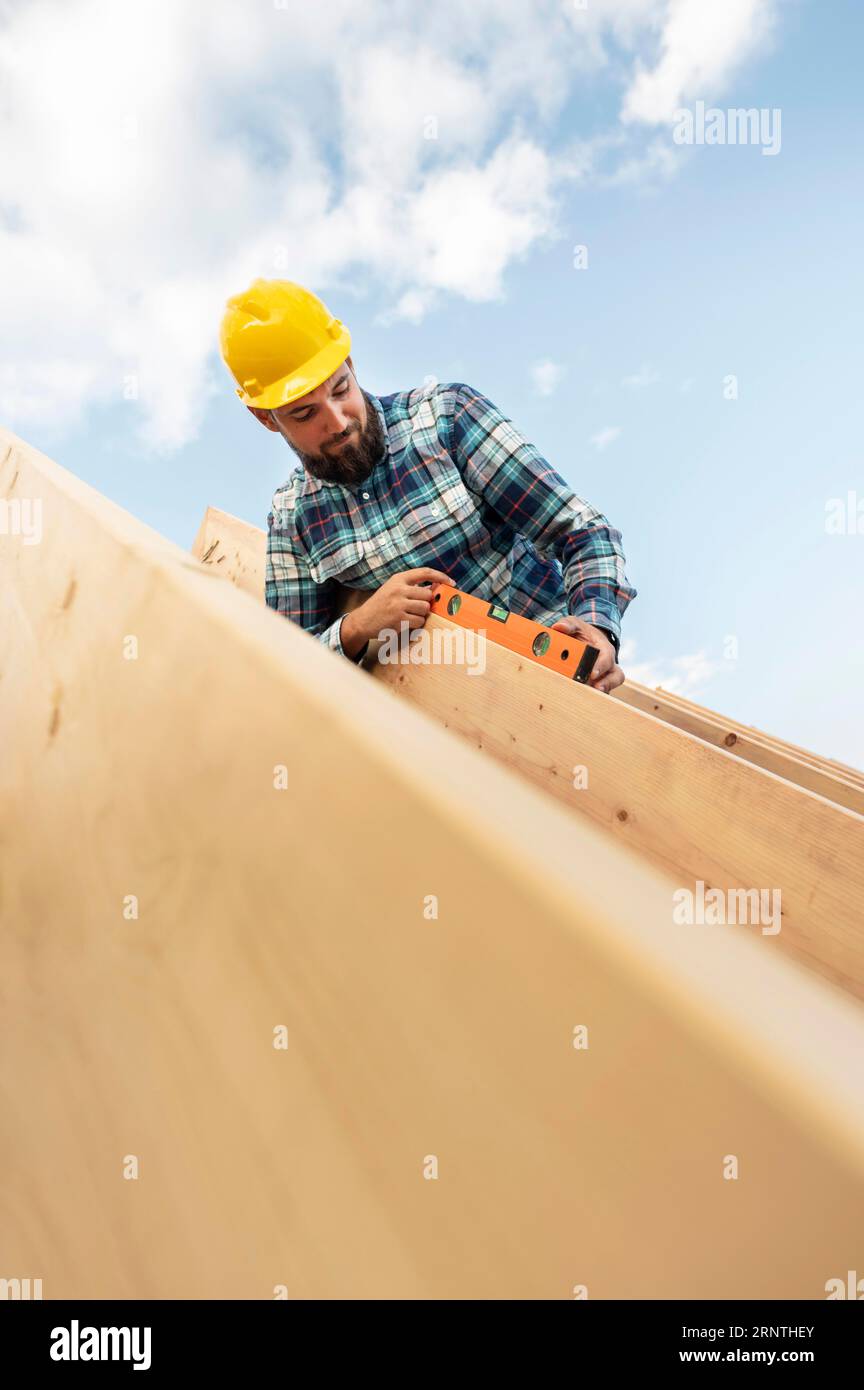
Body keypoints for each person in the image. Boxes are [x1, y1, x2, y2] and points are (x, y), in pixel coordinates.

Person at [220, 279, 636, 692]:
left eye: (341, 389)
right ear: (266, 418)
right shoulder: (294, 518)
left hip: (558, 677)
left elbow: (581, 531)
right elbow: (289, 663)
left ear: (351, 363)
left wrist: (599, 629)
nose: (339, 421)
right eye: (305, 413)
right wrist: (357, 627)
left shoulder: (447, 419)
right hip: (443, 720)